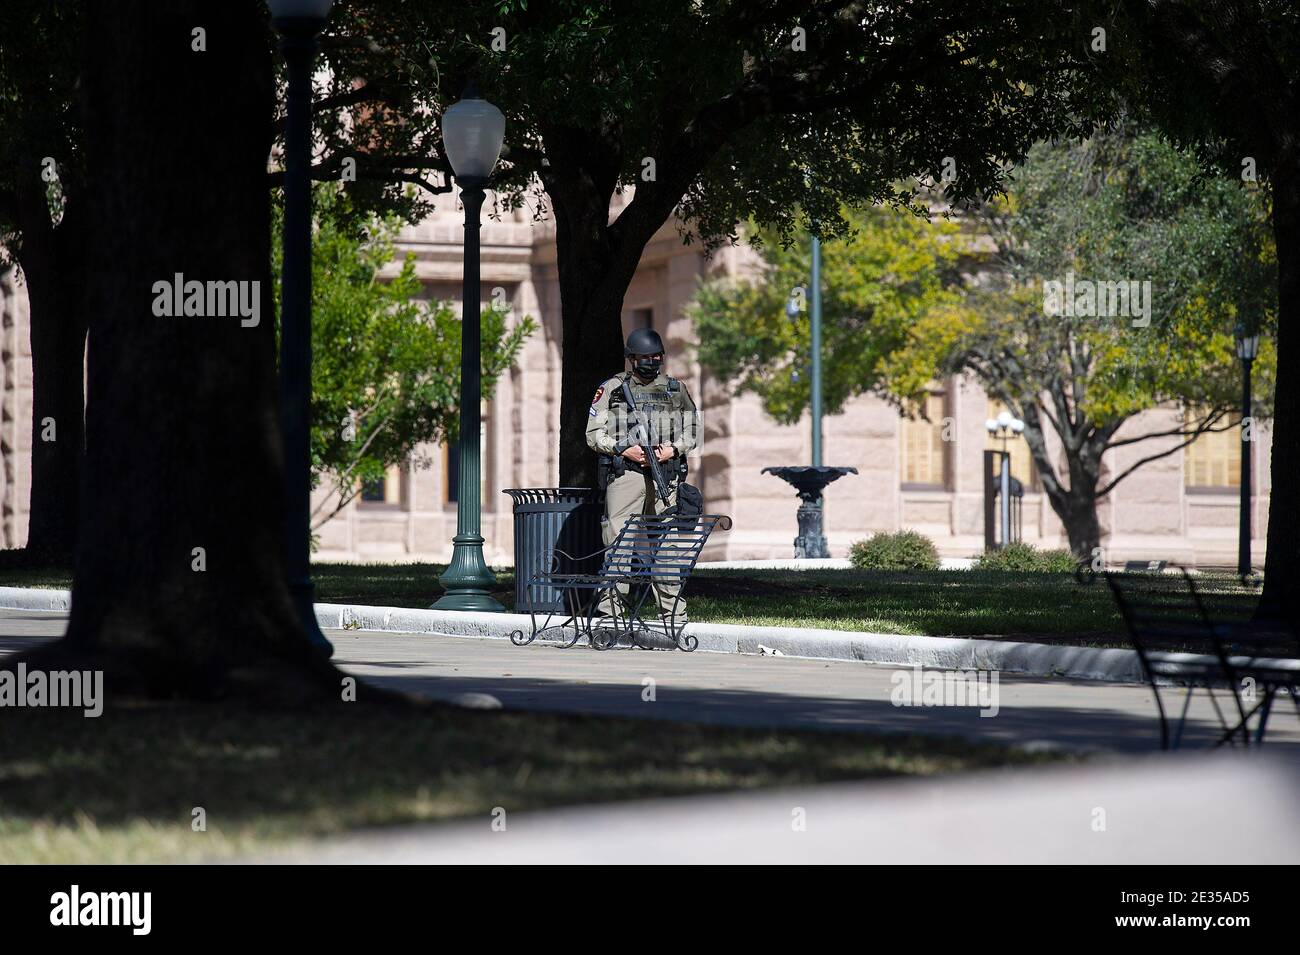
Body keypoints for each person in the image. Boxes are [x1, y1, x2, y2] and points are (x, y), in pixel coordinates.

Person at [585, 327, 700, 626]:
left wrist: (672, 449)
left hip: (666, 476)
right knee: (618, 544)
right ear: (631, 359)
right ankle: (611, 618)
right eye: (644, 357)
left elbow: (694, 430)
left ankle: (673, 618)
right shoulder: (612, 389)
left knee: (667, 547)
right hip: (627, 475)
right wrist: (624, 449)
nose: (651, 361)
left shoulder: (676, 389)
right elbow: (593, 435)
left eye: (656, 356)